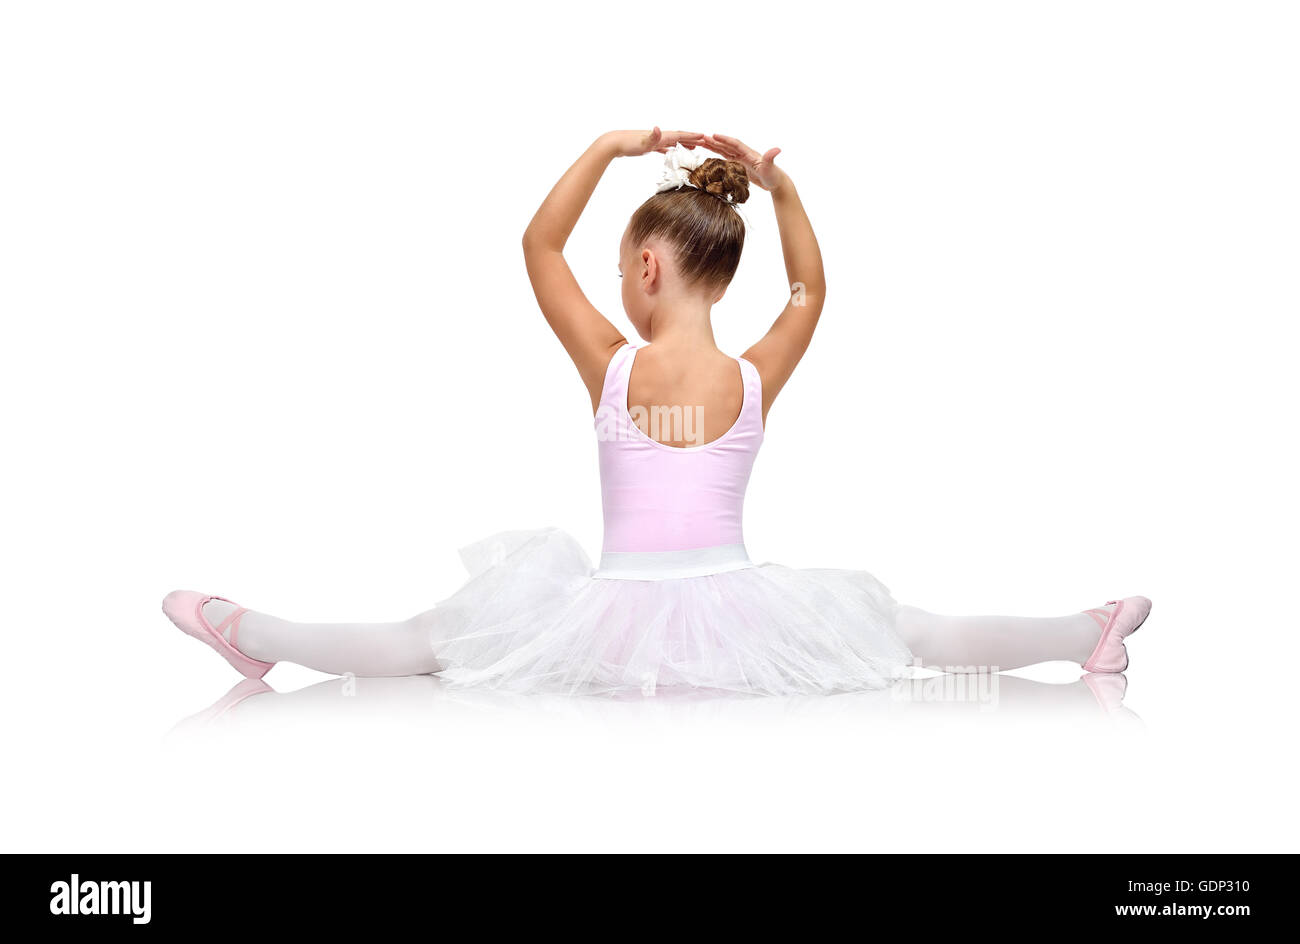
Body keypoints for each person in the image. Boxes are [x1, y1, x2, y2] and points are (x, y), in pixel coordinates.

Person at [163, 128, 1150, 696]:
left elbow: (537, 249)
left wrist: (608, 147)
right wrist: (783, 186)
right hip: (741, 605)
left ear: (644, 265)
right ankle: (1087, 629)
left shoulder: (608, 364)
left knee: (423, 642)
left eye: (621, 267)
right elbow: (808, 291)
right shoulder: (755, 372)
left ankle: (253, 629)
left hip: (608, 610)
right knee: (912, 629)